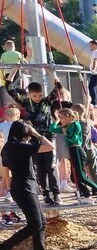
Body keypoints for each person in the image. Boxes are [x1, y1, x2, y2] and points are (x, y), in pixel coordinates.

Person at [0, 121, 58, 250]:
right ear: (24, 134)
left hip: (21, 187)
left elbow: (6, 167)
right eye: (28, 135)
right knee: (35, 224)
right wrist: (36, 133)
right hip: (25, 188)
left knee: (41, 222)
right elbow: (50, 147)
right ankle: (2, 249)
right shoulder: (22, 147)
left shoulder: (6, 148)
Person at [6, 77, 61, 205]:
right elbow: (10, 89)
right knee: (40, 167)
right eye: (35, 95)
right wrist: (15, 69)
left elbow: (58, 88)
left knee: (51, 167)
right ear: (30, 94)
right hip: (34, 138)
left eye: (40, 95)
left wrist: (52, 74)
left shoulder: (46, 101)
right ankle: (46, 193)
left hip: (48, 137)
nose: (38, 98)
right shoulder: (26, 103)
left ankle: (56, 193)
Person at [57, 108, 97, 203]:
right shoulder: (67, 126)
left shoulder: (75, 124)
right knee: (74, 177)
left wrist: (65, 133)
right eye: (59, 118)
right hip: (72, 151)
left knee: (81, 176)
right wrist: (57, 122)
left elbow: (73, 139)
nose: (61, 120)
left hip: (77, 149)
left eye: (62, 117)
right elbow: (52, 129)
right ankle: (87, 195)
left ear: (68, 117)